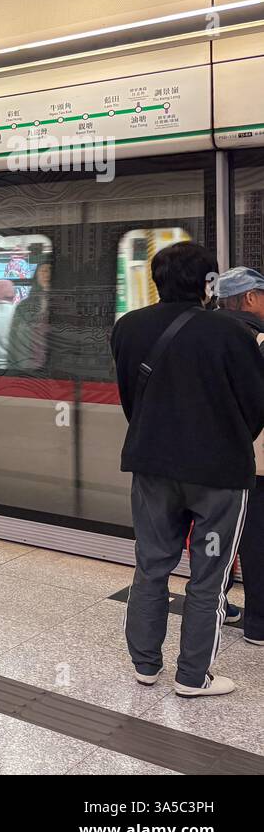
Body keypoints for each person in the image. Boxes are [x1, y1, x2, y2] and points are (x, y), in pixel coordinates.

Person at [111, 242, 264, 698]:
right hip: (218, 474)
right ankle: (193, 676)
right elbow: (257, 407)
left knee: (151, 566)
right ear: (208, 284)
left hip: (152, 466)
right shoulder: (231, 333)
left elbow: (129, 398)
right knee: (208, 575)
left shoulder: (128, 327)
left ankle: (145, 665)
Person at [210, 266, 264, 645]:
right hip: (255, 458)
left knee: (218, 535)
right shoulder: (258, 339)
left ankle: (217, 604)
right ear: (249, 297)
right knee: (257, 538)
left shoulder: (199, 334)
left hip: (210, 457)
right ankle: (259, 623)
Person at [7, 259, 52, 373]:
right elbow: (13, 335)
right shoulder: (24, 305)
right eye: (43, 270)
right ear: (36, 275)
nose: (47, 274)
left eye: (51, 270)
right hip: (28, 359)